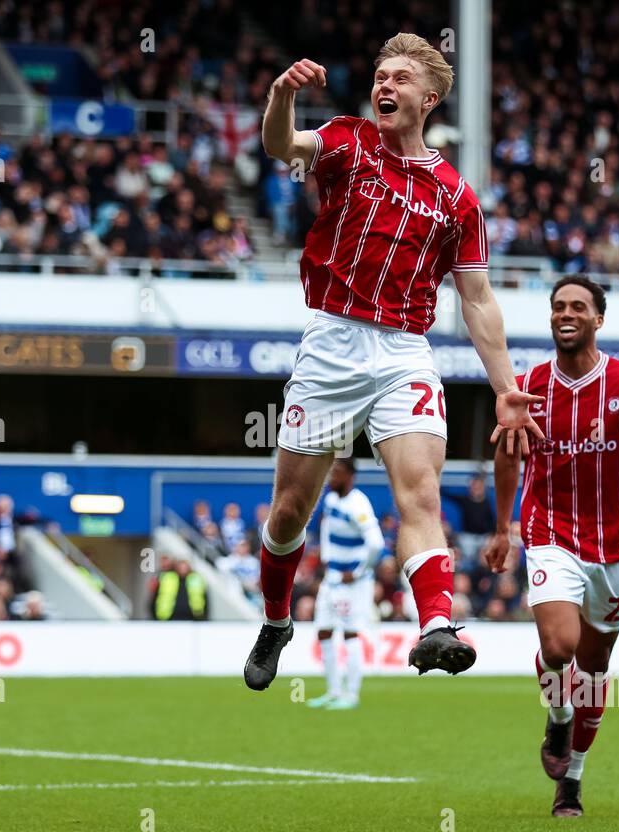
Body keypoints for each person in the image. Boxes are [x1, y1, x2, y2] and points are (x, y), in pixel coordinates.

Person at [243, 34, 541, 691]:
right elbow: (280, 146)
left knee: (421, 492)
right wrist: (281, 96)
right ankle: (275, 621)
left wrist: (507, 388)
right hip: (330, 342)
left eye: (400, 77)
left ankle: (437, 624)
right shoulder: (346, 141)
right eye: (381, 74)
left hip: (404, 350)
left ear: (428, 97)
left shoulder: (457, 197)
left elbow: (479, 299)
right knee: (289, 512)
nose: (386, 83)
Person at [484, 274, 619, 818]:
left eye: (577, 306)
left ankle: (571, 781)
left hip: (616, 547)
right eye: (557, 306)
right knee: (559, 647)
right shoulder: (526, 389)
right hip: (550, 535)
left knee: (595, 668)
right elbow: (508, 459)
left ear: (598, 319)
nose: (564, 313)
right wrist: (504, 529)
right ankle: (558, 719)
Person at [308, 458, 384, 710]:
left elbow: (376, 543)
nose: (331, 477)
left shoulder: (358, 504)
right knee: (324, 631)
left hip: (353, 582)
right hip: (331, 579)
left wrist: (360, 571)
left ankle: (351, 695)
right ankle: (333, 691)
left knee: (350, 634)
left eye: (337, 473)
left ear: (350, 476)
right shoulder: (330, 500)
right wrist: (325, 557)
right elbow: (327, 529)